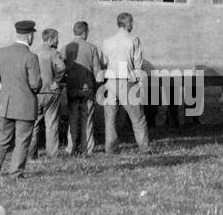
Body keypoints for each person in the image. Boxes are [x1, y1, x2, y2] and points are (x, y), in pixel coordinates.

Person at [0, 20, 42, 177]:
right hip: (25, 105)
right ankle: (16, 172)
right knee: (22, 139)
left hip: (5, 103)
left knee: (3, 137)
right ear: (30, 36)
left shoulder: (1, 52)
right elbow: (35, 84)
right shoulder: (31, 56)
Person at [99, 11, 149, 154]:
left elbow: (103, 62)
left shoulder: (107, 41)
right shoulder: (133, 40)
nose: (132, 26)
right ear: (127, 24)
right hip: (127, 81)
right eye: (131, 23)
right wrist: (140, 83)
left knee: (110, 118)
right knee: (138, 117)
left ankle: (110, 150)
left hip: (110, 82)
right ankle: (144, 148)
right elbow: (138, 64)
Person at [64, 21, 105, 156]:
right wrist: (99, 88)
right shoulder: (92, 48)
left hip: (71, 87)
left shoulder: (65, 48)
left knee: (72, 119)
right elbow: (98, 73)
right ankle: (86, 149)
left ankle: (71, 148)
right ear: (85, 32)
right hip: (87, 89)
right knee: (87, 120)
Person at [31, 27, 67, 159]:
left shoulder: (34, 53)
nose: (58, 41)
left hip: (36, 93)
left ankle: (31, 154)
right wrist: (57, 81)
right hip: (51, 92)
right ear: (51, 39)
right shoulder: (54, 53)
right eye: (57, 38)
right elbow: (62, 67)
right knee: (51, 124)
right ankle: (52, 155)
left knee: (34, 124)